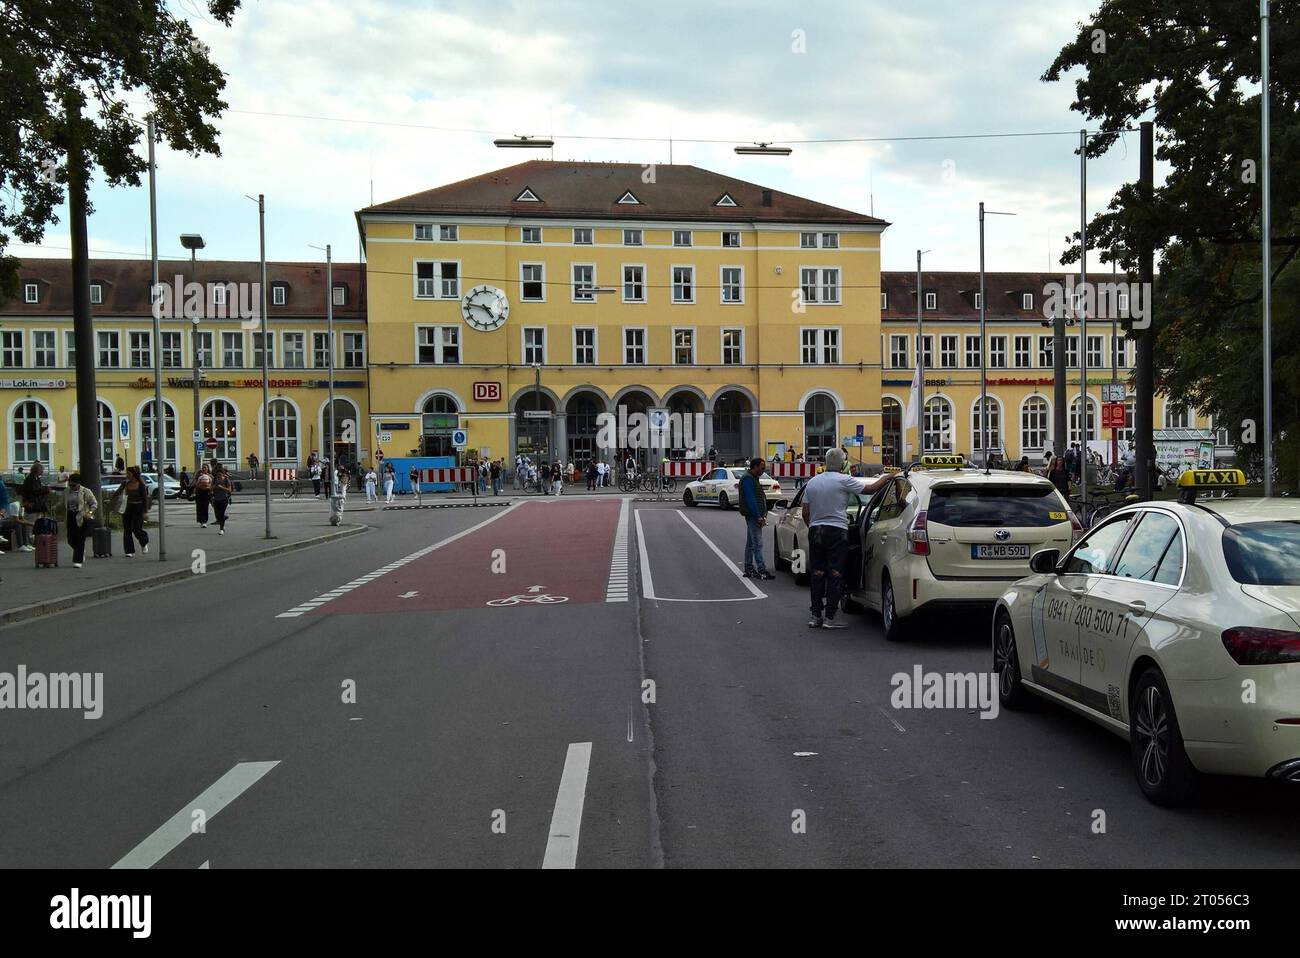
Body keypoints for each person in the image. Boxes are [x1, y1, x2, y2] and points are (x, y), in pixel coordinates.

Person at [801, 448, 889, 629]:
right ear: (842, 463)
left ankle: (815, 615)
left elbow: (805, 512)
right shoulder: (844, 479)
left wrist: (813, 526)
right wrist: (888, 478)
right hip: (837, 530)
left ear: (826, 462)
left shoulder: (812, 482)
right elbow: (870, 489)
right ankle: (831, 617)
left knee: (817, 573)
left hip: (816, 530)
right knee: (835, 573)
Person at [737, 457, 776, 581]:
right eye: (762, 468)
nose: (763, 471)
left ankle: (749, 569)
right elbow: (751, 499)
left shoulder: (753, 478)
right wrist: (758, 516)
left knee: (751, 543)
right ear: (755, 467)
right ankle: (762, 570)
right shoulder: (748, 479)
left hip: (755, 515)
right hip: (754, 516)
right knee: (758, 543)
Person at [114, 466, 151, 557]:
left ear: (134, 474)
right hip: (127, 507)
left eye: (129, 474)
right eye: (127, 473)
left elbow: (145, 499)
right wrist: (111, 499)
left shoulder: (140, 484)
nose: (127, 475)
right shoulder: (125, 483)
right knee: (127, 530)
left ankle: (144, 542)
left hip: (138, 508)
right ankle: (129, 551)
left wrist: (145, 512)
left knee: (137, 529)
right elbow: (118, 492)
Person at [63, 473, 97, 568]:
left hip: (82, 517)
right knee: (70, 539)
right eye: (70, 484)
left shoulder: (86, 491)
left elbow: (94, 504)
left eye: (73, 485)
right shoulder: (66, 491)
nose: (71, 487)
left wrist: (89, 512)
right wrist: (55, 507)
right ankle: (81, 550)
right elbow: (62, 503)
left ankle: (77, 561)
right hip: (70, 516)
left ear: (78, 484)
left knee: (80, 538)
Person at [212, 466, 233, 535]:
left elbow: (229, 490)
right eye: (218, 474)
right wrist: (215, 487)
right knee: (218, 515)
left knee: (221, 514)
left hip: (224, 499)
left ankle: (221, 529)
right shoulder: (214, 479)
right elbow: (210, 488)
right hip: (216, 499)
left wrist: (221, 487)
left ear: (223, 474)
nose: (219, 476)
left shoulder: (226, 480)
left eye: (220, 474)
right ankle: (224, 517)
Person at [193, 463, 213, 527]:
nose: (204, 469)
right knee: (199, 507)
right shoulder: (198, 476)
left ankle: (204, 522)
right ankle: (201, 521)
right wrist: (200, 485)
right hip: (199, 492)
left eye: (205, 467)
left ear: (208, 469)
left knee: (205, 507)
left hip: (206, 493)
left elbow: (213, 484)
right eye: (203, 467)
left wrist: (208, 487)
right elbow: (195, 484)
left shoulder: (210, 476)